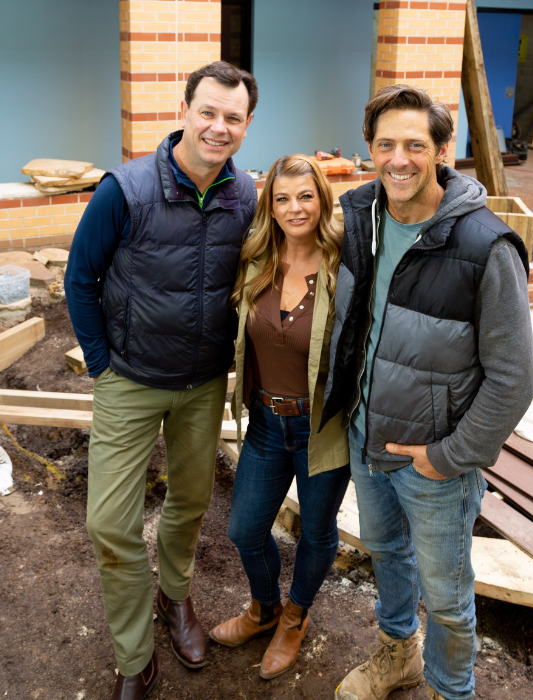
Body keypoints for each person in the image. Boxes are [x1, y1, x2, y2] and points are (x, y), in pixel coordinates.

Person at [320, 85, 533, 700]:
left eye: (415, 145)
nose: (399, 159)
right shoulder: (361, 217)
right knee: (387, 555)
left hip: (434, 462)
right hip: (368, 440)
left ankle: (450, 687)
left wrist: (449, 456)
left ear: (443, 150)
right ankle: (399, 655)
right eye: (385, 144)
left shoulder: (485, 247)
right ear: (369, 148)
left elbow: (514, 378)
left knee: (445, 595)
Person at [64, 61, 258, 700]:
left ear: (246, 125)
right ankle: (133, 655)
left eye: (233, 117)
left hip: (202, 384)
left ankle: (176, 598)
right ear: (184, 111)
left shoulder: (246, 195)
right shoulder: (126, 190)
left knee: (191, 501)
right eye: (208, 112)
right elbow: (80, 278)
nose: (219, 127)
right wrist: (101, 363)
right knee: (109, 524)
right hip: (130, 378)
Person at [209, 154, 351, 679]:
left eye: (306, 196)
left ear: (322, 201)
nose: (295, 208)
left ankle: (295, 616)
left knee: (316, 531)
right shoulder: (256, 261)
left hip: (322, 428)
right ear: (270, 207)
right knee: (244, 530)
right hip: (267, 424)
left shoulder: (343, 268)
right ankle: (265, 607)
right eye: (283, 198)